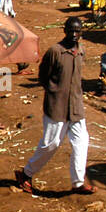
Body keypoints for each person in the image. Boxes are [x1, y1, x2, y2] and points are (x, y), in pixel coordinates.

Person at [14, 17, 93, 195]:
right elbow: (43, 76)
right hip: (56, 106)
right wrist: (54, 91)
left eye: (77, 31)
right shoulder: (55, 51)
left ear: (81, 32)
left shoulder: (81, 51)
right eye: (71, 31)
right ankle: (26, 174)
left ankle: (78, 183)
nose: (74, 34)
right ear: (65, 30)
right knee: (51, 143)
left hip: (76, 106)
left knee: (81, 142)